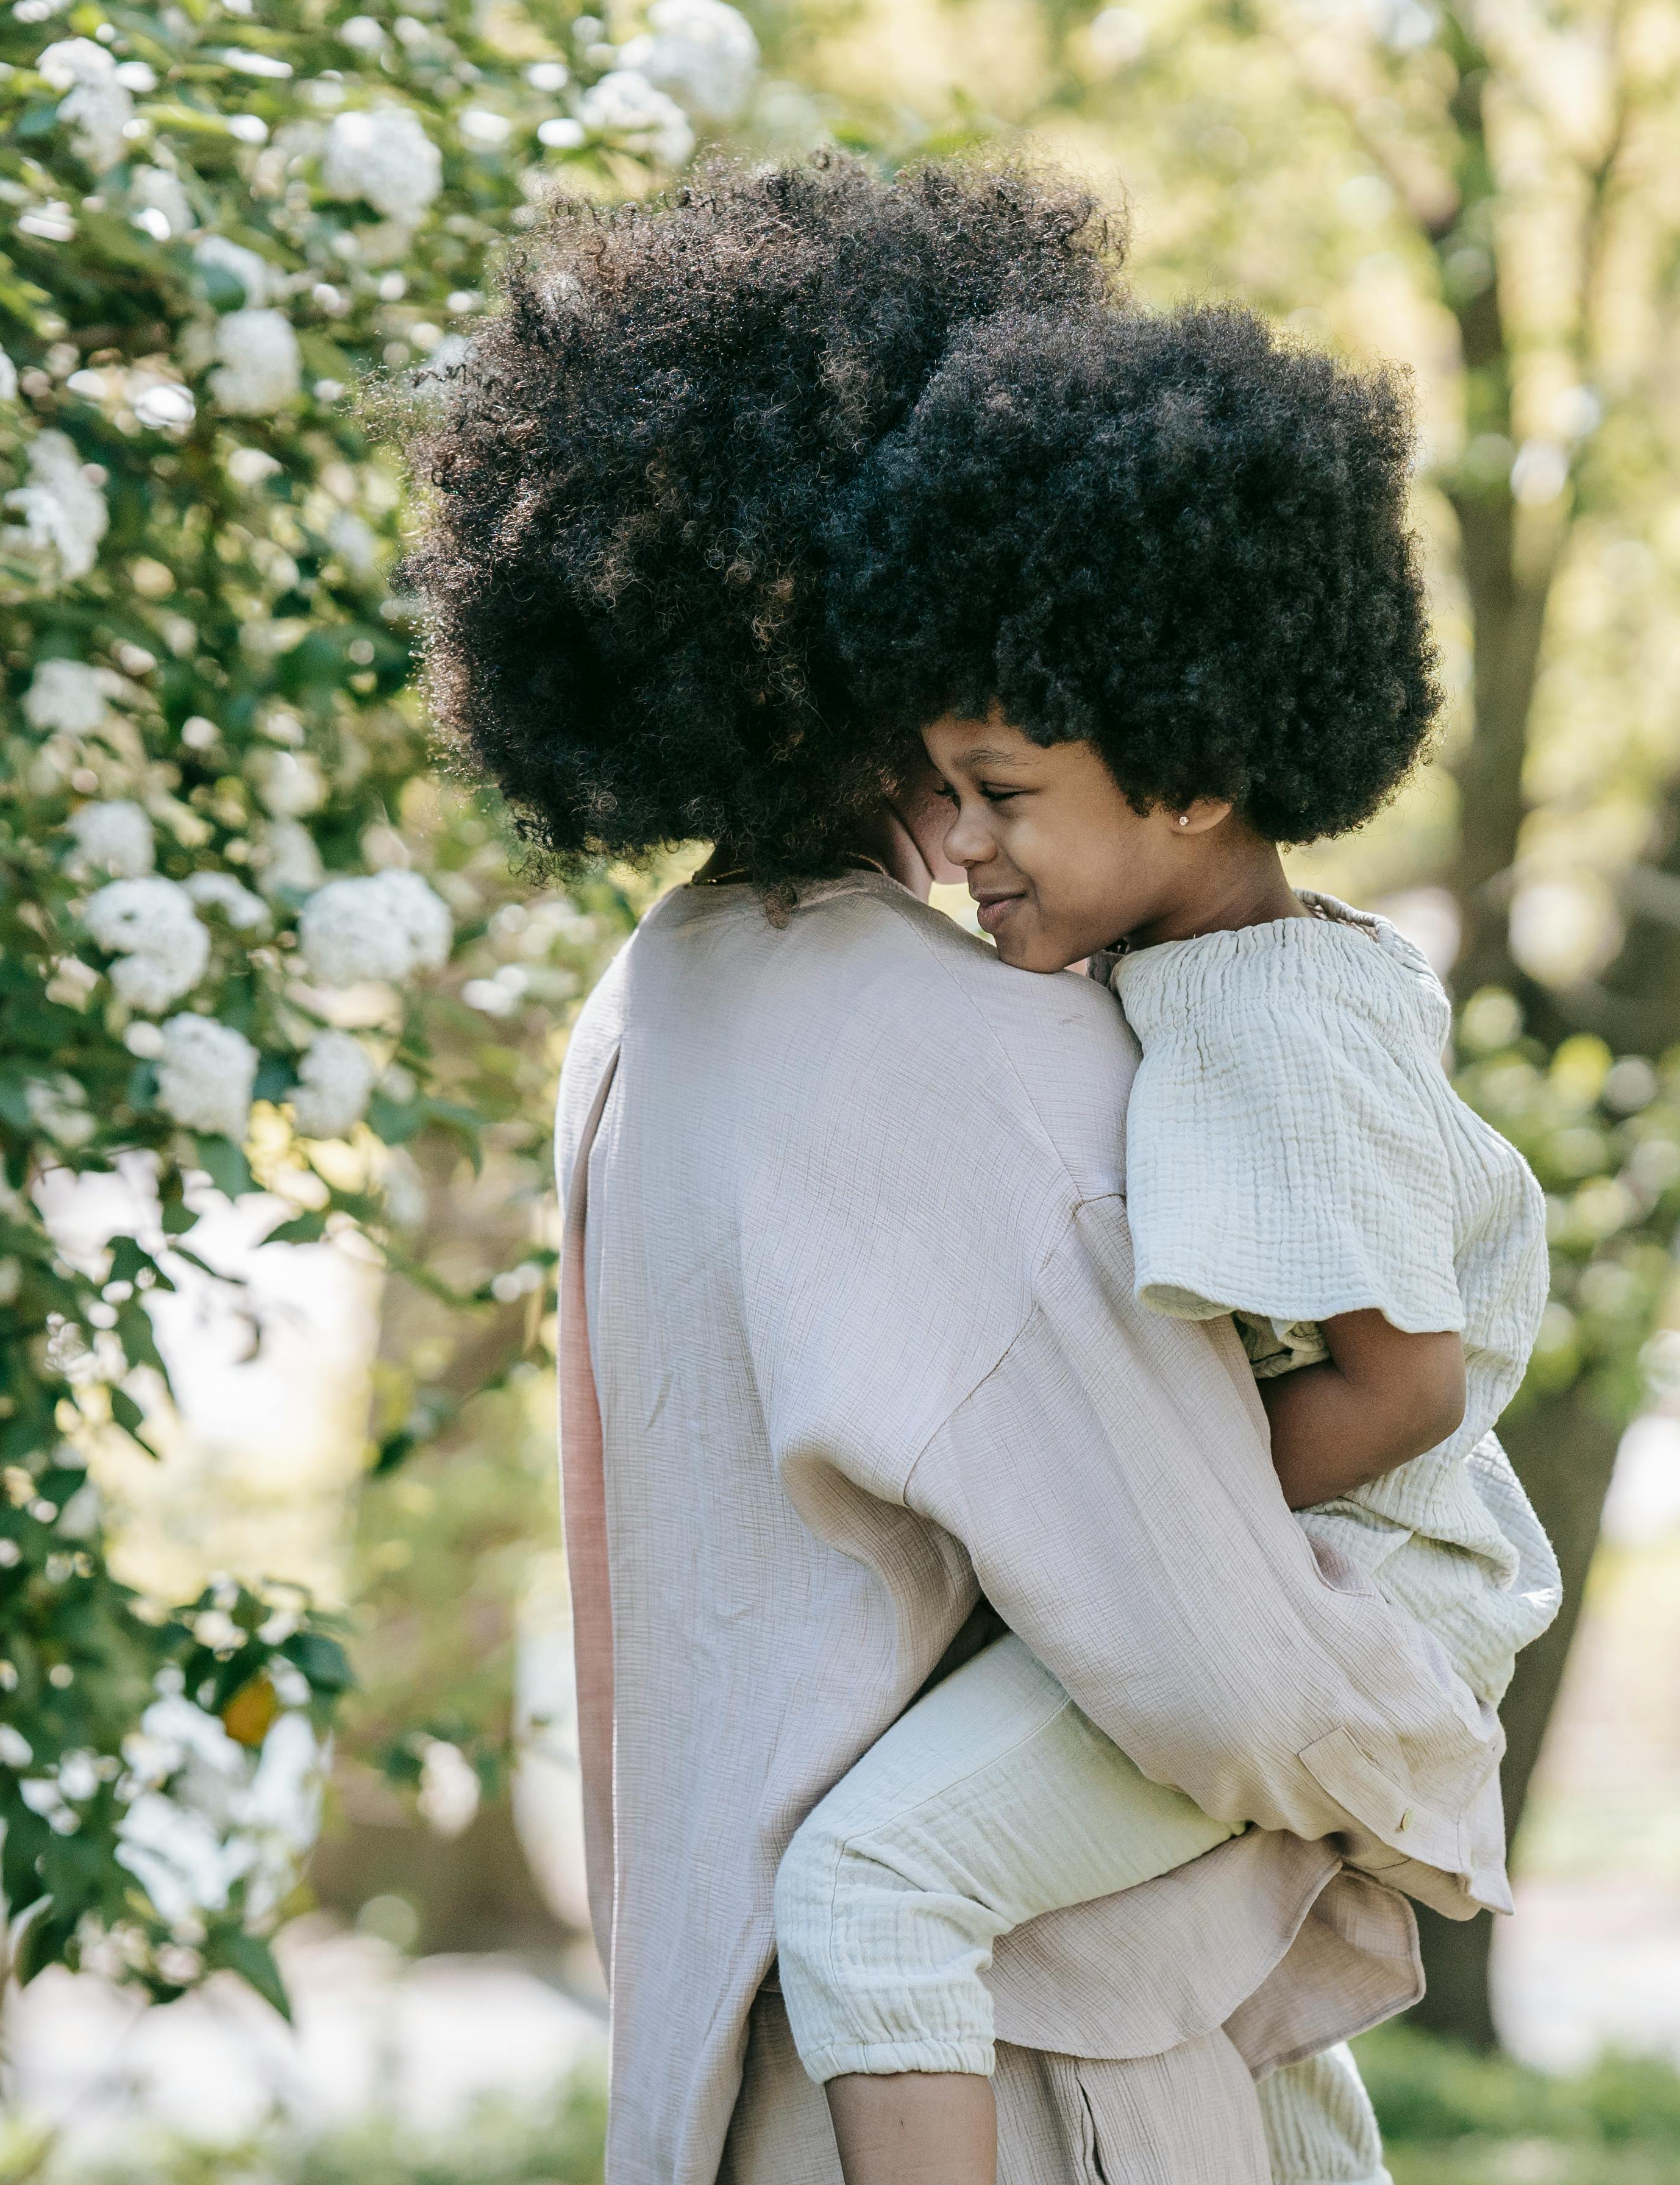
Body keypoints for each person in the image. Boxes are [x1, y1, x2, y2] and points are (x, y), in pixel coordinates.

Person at [400, 157, 1511, 2185]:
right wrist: (1402, 1731)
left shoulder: (652, 1010)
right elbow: (1206, 1652)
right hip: (1030, 2074)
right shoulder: (971, 1051)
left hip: (745, 2057)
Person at [783, 303, 1560, 2185]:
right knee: (1204, 2005)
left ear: (1197, 774)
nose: (961, 844)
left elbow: (1402, 1385)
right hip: (1310, 1578)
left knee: (872, 1890)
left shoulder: (1267, 1023)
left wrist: (1114, 1539)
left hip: (1363, 1593)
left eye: (1005, 794)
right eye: (943, 792)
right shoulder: (1199, 975)